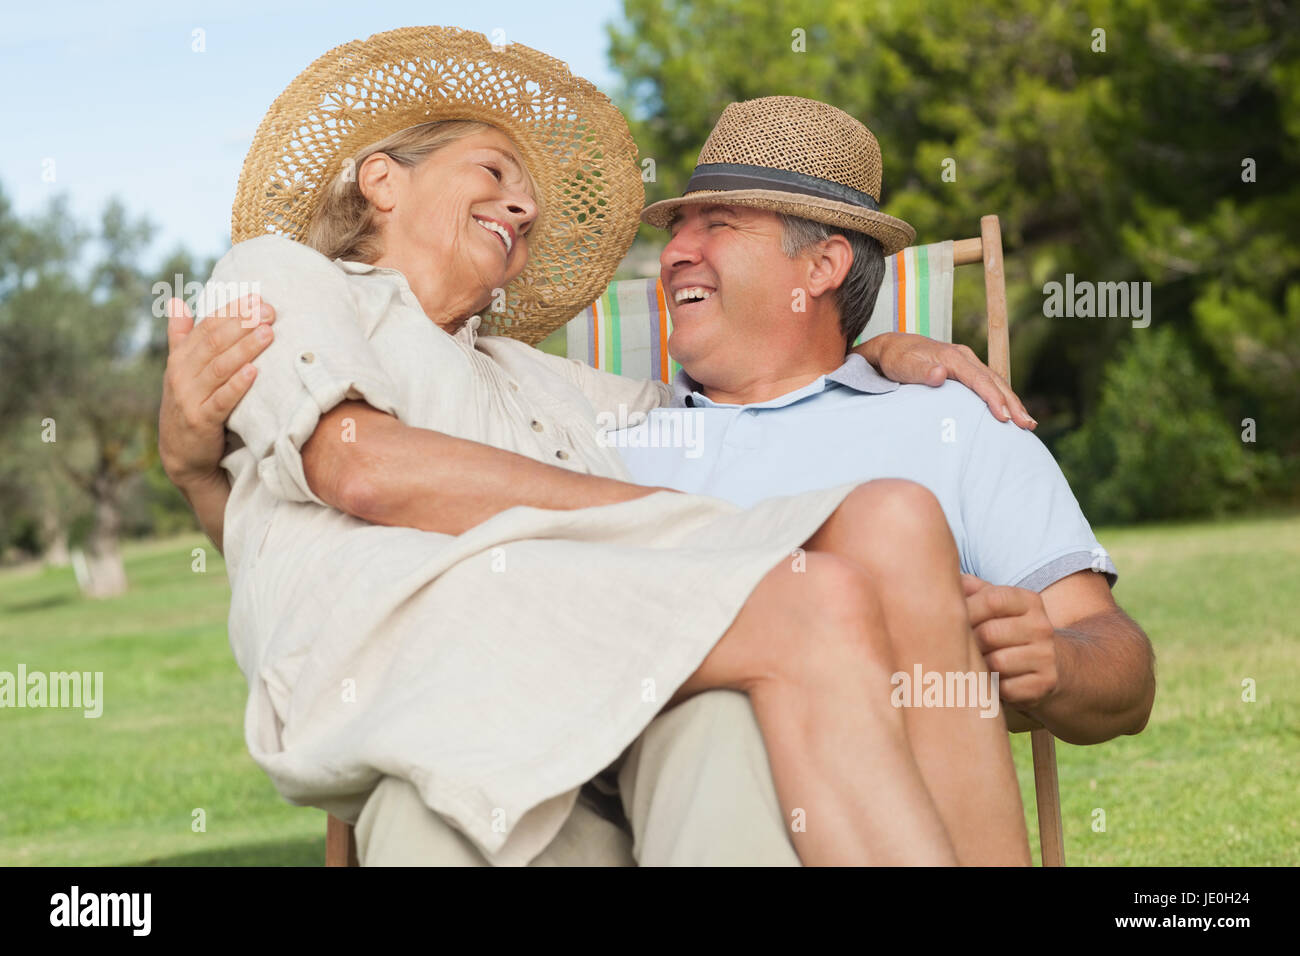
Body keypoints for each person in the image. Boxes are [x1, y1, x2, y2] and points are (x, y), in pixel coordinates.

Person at [161, 26, 1040, 867]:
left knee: (894, 517)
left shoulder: (534, 378)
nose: (523, 205)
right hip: (415, 654)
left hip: (575, 682)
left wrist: (879, 351)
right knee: (815, 604)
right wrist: (672, 525)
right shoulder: (280, 275)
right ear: (382, 181)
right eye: (494, 171)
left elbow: (743, 387)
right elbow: (357, 464)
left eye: (529, 201)